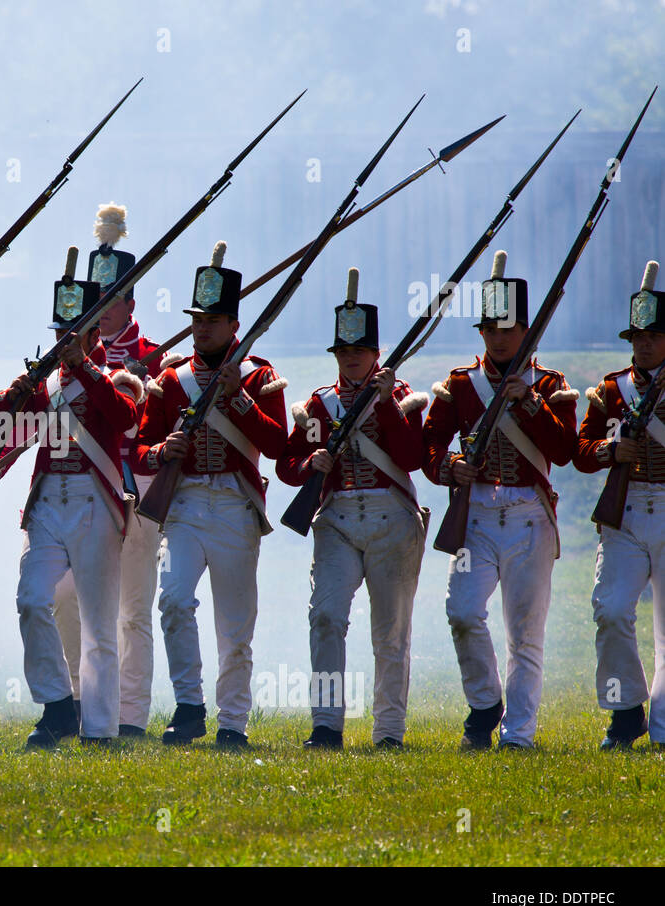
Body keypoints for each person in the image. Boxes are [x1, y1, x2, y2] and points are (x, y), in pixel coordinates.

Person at [133, 243, 288, 749]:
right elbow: (138, 449)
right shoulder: (169, 380)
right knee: (174, 601)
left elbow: (278, 445)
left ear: (232, 324)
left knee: (235, 625)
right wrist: (160, 450)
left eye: (213, 319)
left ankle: (233, 724)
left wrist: (238, 399)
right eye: (198, 318)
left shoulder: (259, 378)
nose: (203, 328)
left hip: (236, 506)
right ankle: (189, 705)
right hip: (184, 506)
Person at [422, 251, 577, 750]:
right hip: (478, 514)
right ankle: (486, 704)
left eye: (507, 328)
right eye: (490, 328)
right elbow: (428, 447)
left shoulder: (549, 386)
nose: (498, 337)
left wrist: (529, 404)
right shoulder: (461, 384)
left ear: (526, 331)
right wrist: (448, 467)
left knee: (525, 634)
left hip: (530, 515)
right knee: (463, 611)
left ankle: (518, 735)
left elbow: (566, 452)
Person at [0, 253, 137, 747]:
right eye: (60, 333)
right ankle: (55, 707)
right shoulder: (45, 384)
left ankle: (101, 729)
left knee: (98, 625)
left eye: (74, 335)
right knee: (32, 599)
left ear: (93, 337)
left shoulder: (112, 378)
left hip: (95, 504)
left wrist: (83, 369)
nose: (63, 342)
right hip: (48, 502)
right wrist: (13, 395)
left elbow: (122, 420)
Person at [275, 268, 428, 749]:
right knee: (325, 618)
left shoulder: (401, 400)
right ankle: (326, 725)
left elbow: (412, 459)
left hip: (392, 520)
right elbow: (285, 464)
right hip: (337, 519)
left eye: (359, 351)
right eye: (344, 351)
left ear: (376, 355)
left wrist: (383, 403)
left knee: (390, 632)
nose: (352, 358)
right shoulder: (319, 406)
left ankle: (388, 732)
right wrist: (311, 463)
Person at [52, 204, 179, 736]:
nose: (102, 310)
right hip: (81, 491)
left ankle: (129, 717)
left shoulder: (158, 358)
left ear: (130, 302)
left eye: (112, 300)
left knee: (131, 612)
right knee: (62, 597)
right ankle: (80, 700)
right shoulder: (69, 356)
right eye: (94, 302)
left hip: (138, 490)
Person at [574, 259, 665, 750]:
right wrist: (611, 451)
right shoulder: (612, 390)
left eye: (651, 336)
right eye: (636, 337)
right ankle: (626, 714)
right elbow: (581, 451)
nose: (642, 345)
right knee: (610, 610)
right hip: (626, 512)